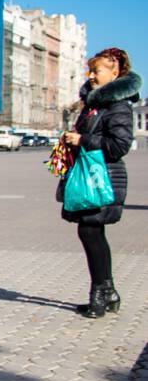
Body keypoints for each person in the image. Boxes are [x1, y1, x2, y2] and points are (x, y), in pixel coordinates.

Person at [61, 48, 139, 318]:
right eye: (90, 71)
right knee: (91, 232)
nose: (91, 76)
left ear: (115, 72)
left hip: (103, 178)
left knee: (90, 232)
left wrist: (82, 140)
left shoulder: (118, 106)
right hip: (89, 177)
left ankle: (101, 293)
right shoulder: (94, 106)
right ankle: (107, 291)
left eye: (97, 71)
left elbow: (119, 146)